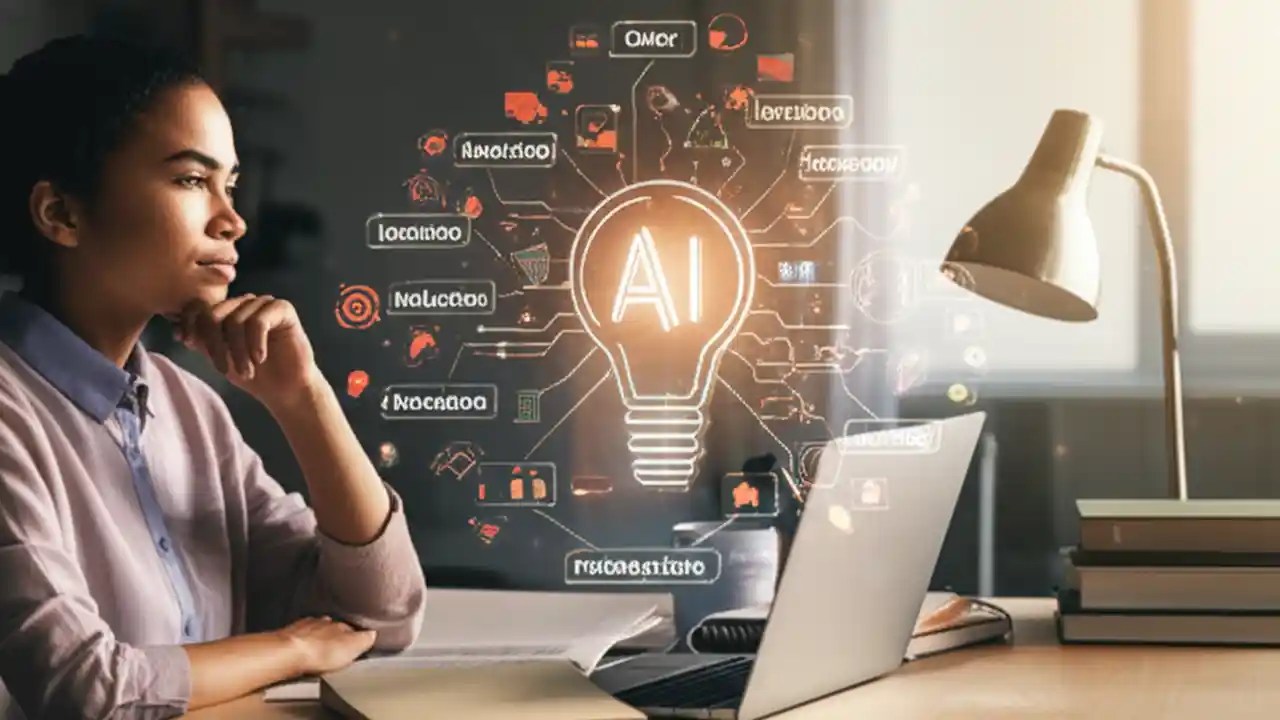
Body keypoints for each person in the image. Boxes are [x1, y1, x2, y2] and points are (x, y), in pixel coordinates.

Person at [0, 35, 427, 718]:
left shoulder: (186, 405)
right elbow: (85, 692)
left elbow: (380, 615)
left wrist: (304, 399)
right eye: (192, 180)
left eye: (229, 184)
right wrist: (293, 649)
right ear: (62, 214)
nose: (234, 219)